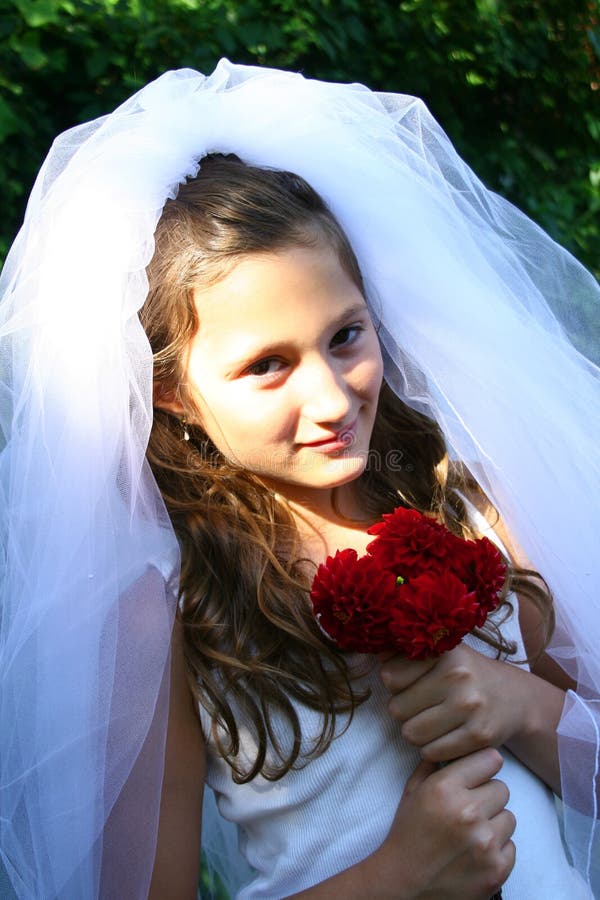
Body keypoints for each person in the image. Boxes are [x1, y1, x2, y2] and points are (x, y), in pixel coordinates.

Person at [0, 60, 598, 900]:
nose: (332, 399)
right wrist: (396, 875)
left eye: (345, 336)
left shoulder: (469, 507)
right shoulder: (167, 610)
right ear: (173, 394)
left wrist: (519, 704)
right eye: (267, 365)